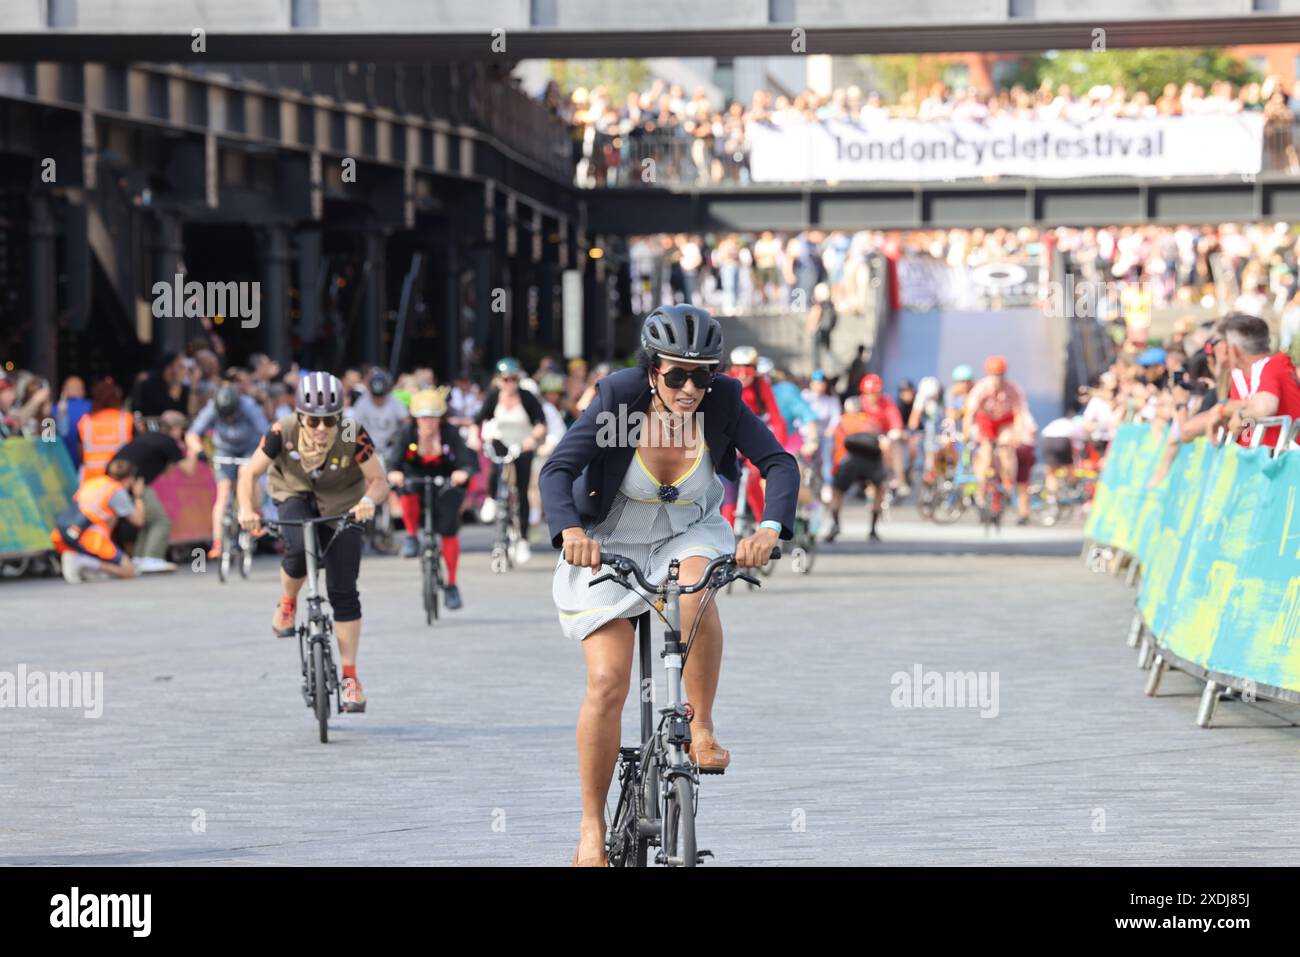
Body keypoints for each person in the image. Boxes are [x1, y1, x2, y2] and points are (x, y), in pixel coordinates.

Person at [540, 303, 799, 867]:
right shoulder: (617, 397)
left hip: (689, 529)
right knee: (608, 684)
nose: (689, 387)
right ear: (652, 368)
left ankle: (700, 726)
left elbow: (779, 463)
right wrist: (569, 531)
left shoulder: (725, 401)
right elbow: (557, 469)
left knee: (696, 586)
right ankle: (590, 825)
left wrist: (770, 527)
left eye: (702, 374)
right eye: (676, 373)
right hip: (613, 537)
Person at [237, 372, 388, 713]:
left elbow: (378, 481)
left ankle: (350, 678)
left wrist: (369, 501)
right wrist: (247, 509)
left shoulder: (352, 433)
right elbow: (249, 473)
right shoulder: (282, 430)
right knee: (296, 550)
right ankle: (288, 602)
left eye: (329, 420)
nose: (322, 428)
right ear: (301, 415)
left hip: (344, 504)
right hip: (294, 493)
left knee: (344, 590)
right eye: (314, 420)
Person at [387, 388, 476, 610]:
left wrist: (462, 472)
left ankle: (452, 583)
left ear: (440, 418)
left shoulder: (450, 434)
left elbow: (466, 461)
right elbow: (393, 461)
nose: (428, 422)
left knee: (448, 529)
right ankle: (410, 537)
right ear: (416, 418)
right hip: (415, 479)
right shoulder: (407, 433)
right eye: (423, 417)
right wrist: (395, 473)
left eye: (433, 417)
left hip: (444, 481)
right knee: (406, 490)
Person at [471, 358, 548, 563]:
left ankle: (522, 539)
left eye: (514, 379)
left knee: (522, 491)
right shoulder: (494, 396)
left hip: (522, 444)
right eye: (506, 379)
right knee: (495, 466)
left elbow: (541, 423)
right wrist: (474, 437)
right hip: (502, 440)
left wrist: (533, 439)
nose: (510, 383)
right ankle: (491, 498)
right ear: (499, 380)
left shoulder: (527, 397)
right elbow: (477, 420)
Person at [108, 409, 200, 571]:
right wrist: (193, 449)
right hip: (134, 484)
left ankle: (140, 558)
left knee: (149, 520)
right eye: (182, 430)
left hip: (116, 484)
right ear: (175, 428)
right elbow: (189, 470)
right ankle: (151, 557)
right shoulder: (168, 442)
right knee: (161, 521)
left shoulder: (150, 438)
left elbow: (162, 468)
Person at [187, 383, 270, 558]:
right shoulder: (212, 407)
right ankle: (218, 542)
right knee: (223, 493)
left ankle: (254, 512)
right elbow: (192, 434)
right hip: (224, 450)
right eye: (225, 417)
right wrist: (198, 450)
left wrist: (262, 456)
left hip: (249, 447)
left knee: (246, 473)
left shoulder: (248, 406)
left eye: (232, 415)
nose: (229, 420)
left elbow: (267, 433)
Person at [827, 375, 902, 543]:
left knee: (837, 492)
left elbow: (835, 447)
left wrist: (834, 469)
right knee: (879, 489)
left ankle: (835, 523)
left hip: (848, 461)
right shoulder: (872, 421)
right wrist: (885, 471)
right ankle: (873, 528)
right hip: (871, 461)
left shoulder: (842, 421)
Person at [50, 457, 145, 584]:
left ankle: (86, 563)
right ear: (129, 479)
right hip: (89, 537)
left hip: (67, 532)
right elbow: (138, 520)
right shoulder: (116, 491)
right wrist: (139, 496)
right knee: (128, 570)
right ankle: (85, 562)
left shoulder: (94, 482)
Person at [722, 345, 788, 527]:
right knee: (727, 490)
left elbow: (776, 418)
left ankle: (764, 526)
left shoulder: (762, 385)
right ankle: (727, 537)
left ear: (756, 370)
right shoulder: (724, 383)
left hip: (752, 441)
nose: (742, 375)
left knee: (752, 479)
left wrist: (778, 449)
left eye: (748, 370)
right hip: (728, 443)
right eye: (737, 369)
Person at [1213, 313, 1300, 448]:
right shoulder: (1242, 374)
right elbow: (1247, 427)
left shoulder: (1272, 365)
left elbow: (1264, 407)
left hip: (1281, 463)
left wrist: (1241, 416)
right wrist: (1222, 409)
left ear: (1234, 350)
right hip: (1259, 460)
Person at [962, 356, 1029, 505]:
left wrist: (1018, 434)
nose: (997, 379)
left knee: (1006, 449)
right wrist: (966, 432)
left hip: (1005, 421)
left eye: (1000, 375)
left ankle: (1007, 483)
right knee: (985, 455)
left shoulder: (1012, 389)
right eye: (994, 375)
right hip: (986, 422)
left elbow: (1019, 413)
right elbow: (970, 412)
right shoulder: (981, 388)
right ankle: (980, 491)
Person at [78, 378, 134, 481]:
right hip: (119, 479)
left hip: (92, 481)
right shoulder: (126, 419)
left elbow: (80, 452)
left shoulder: (86, 422)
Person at [130, 352, 193, 419]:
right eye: (180, 366)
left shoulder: (184, 389)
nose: (185, 371)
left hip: (177, 426)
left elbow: (188, 412)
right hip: (152, 423)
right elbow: (147, 410)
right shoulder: (150, 385)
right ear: (168, 368)